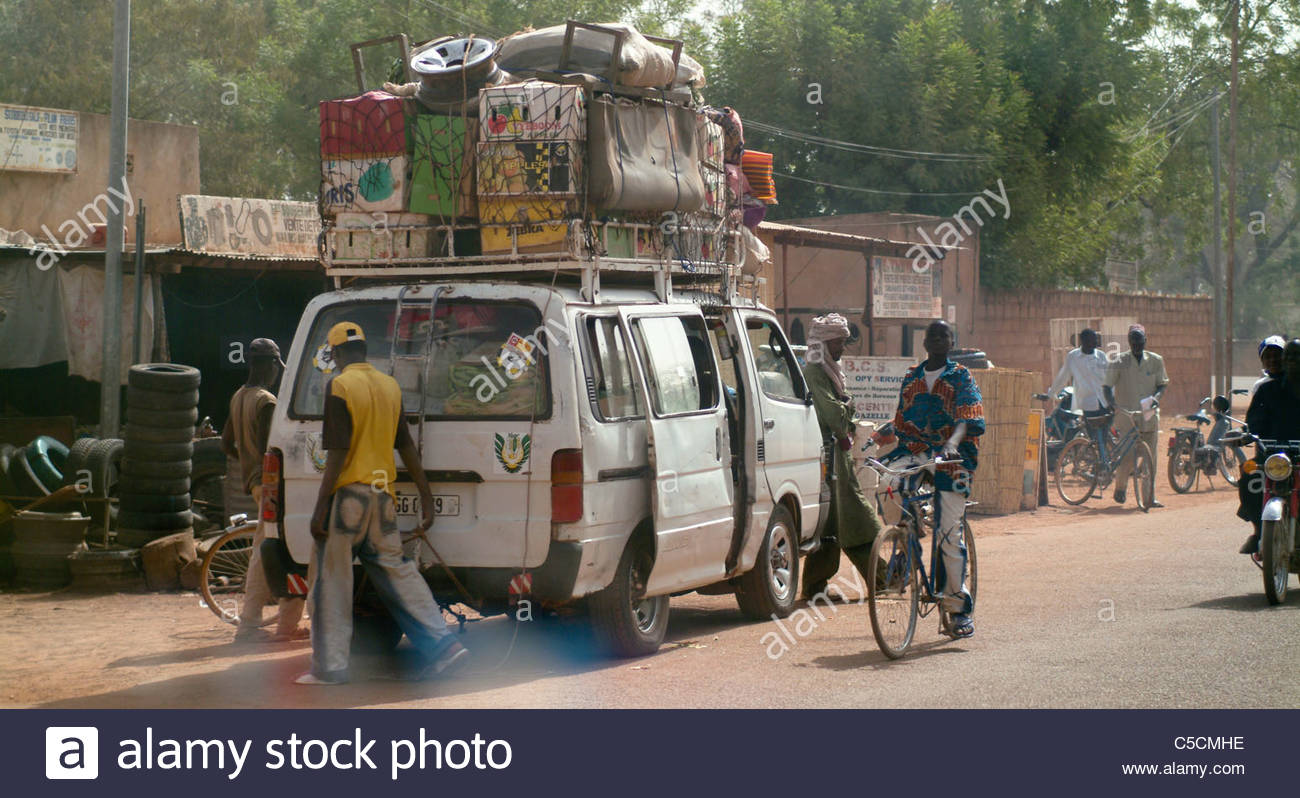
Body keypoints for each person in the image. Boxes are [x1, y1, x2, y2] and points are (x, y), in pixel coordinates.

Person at [296, 321, 468, 685]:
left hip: (349, 498)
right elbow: (405, 443)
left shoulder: (340, 386)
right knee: (399, 572)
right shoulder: (389, 385)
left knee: (332, 583)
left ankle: (331, 668)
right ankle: (444, 646)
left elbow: (339, 453)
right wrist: (425, 496)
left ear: (338, 353)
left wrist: (319, 507)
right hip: (383, 497)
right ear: (364, 350)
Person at [883, 319, 983, 638]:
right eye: (933, 336)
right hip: (916, 451)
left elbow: (968, 416)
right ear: (924, 343)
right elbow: (902, 420)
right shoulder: (912, 376)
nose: (939, 340)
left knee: (949, 536)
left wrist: (952, 443)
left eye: (945, 335)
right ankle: (905, 546)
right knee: (888, 486)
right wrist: (881, 434)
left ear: (951, 342)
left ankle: (957, 610)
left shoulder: (960, 376)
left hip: (954, 459)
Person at [220, 338, 307, 644]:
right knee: (282, 551)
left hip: (256, 484)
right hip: (272, 485)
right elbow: (273, 448)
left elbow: (226, 443)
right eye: (277, 367)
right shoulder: (266, 402)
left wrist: (248, 464)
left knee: (271, 549)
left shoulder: (239, 397)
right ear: (270, 365)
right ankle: (260, 625)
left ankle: (274, 623)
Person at [799, 313, 884, 600]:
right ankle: (883, 577)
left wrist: (845, 408)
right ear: (823, 343)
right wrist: (848, 407)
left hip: (837, 455)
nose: (842, 349)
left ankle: (814, 587)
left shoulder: (827, 371)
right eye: (838, 342)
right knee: (856, 518)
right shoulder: (814, 372)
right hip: (828, 456)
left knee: (835, 524)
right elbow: (834, 416)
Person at [1237, 338, 1300, 556]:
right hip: (1272, 455)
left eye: (1296, 357)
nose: (1291, 362)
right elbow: (1254, 420)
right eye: (1289, 357)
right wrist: (1248, 435)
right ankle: (1258, 528)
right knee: (1248, 473)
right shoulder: (1266, 390)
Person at [1103, 324, 1168, 508]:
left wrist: (1156, 398)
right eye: (1133, 343)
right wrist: (1112, 403)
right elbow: (1107, 386)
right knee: (1128, 457)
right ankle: (1120, 487)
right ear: (1129, 342)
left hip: (1148, 413)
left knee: (1151, 457)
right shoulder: (1119, 361)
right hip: (1127, 414)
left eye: (1140, 342)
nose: (1137, 346)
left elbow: (1162, 384)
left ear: (1145, 341)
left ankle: (1149, 497)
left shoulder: (1156, 360)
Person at [1045, 328, 1112, 464]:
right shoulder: (1073, 357)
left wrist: (1114, 397)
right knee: (1094, 437)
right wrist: (1052, 393)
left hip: (1104, 401)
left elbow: (1109, 378)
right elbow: (1063, 376)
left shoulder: (1101, 356)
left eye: (1095, 341)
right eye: (1091, 341)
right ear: (1083, 341)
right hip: (1088, 402)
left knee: (1104, 435)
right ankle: (1096, 462)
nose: (1094, 343)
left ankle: (1102, 462)